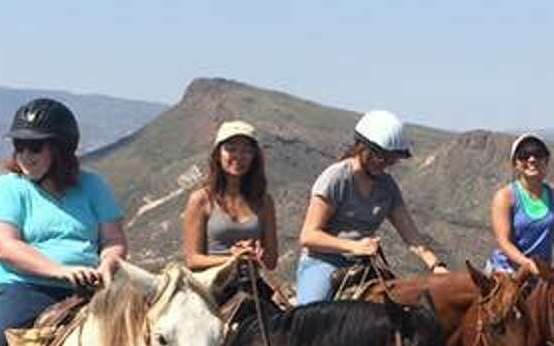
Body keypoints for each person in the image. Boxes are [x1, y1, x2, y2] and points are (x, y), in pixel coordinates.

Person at [0, 97, 127, 346]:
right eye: (18, 145)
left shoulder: (93, 185)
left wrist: (107, 266)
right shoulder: (8, 187)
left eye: (35, 146)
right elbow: (2, 244)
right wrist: (59, 271)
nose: (25, 155)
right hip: (22, 288)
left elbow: (113, 239)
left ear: (60, 149)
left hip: (90, 288)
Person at [294, 109, 447, 305]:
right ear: (360, 147)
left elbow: (411, 235)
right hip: (323, 262)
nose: (383, 163)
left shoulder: (387, 186)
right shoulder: (336, 178)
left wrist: (435, 265)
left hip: (364, 265)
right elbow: (309, 236)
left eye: (390, 158)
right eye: (378, 155)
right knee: (311, 319)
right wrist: (355, 246)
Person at [182, 119, 279, 272]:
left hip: (250, 283)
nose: (238, 156)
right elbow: (193, 260)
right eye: (231, 149)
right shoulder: (201, 199)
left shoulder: (264, 201)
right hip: (211, 287)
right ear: (218, 154)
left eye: (246, 151)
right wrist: (236, 258)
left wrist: (254, 254)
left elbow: (271, 261)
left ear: (254, 157)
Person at [488, 133, 554, 274]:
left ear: (546, 160)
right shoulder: (504, 197)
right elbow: (504, 242)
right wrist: (526, 263)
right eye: (524, 155)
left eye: (538, 154)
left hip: (542, 273)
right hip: (507, 271)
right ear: (515, 163)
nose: (532, 160)